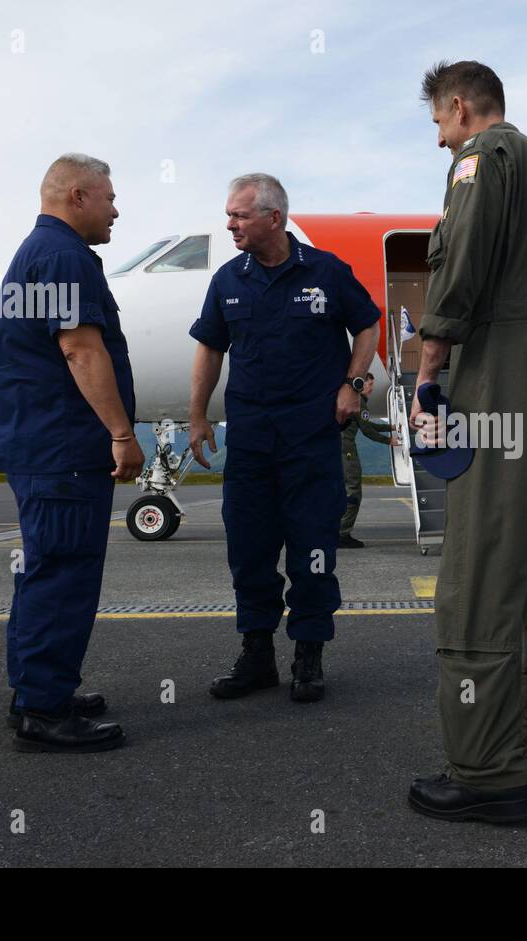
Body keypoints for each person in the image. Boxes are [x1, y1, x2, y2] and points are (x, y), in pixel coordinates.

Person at [406, 62, 527, 822]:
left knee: (480, 566)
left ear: (458, 106)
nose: (439, 138)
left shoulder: (480, 161)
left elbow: (464, 269)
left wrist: (428, 371)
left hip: (503, 368)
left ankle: (487, 771)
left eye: (438, 124)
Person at [188, 174, 380, 703]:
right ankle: (257, 656)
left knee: (313, 548)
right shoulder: (229, 279)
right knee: (248, 550)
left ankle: (309, 655)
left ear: (274, 217)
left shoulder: (326, 272)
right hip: (250, 439)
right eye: (229, 215)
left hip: (311, 438)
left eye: (239, 216)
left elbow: (368, 324)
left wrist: (354, 384)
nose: (230, 224)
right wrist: (198, 416)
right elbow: (209, 348)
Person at [0, 152, 143, 753]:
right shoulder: (63, 257)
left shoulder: (39, 253)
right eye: (109, 197)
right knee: (64, 574)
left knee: (44, 571)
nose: (116, 208)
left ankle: (36, 690)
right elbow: (81, 350)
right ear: (78, 196)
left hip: (43, 444)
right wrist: (122, 435)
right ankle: (44, 710)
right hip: (64, 448)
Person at [339, 373, 399, 548]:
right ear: (361, 385)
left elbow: (367, 425)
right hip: (347, 452)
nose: (372, 388)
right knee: (353, 492)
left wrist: (390, 427)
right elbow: (367, 431)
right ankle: (342, 534)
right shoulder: (359, 402)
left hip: (338, 450)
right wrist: (389, 440)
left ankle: (336, 531)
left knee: (343, 491)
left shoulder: (352, 400)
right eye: (370, 384)